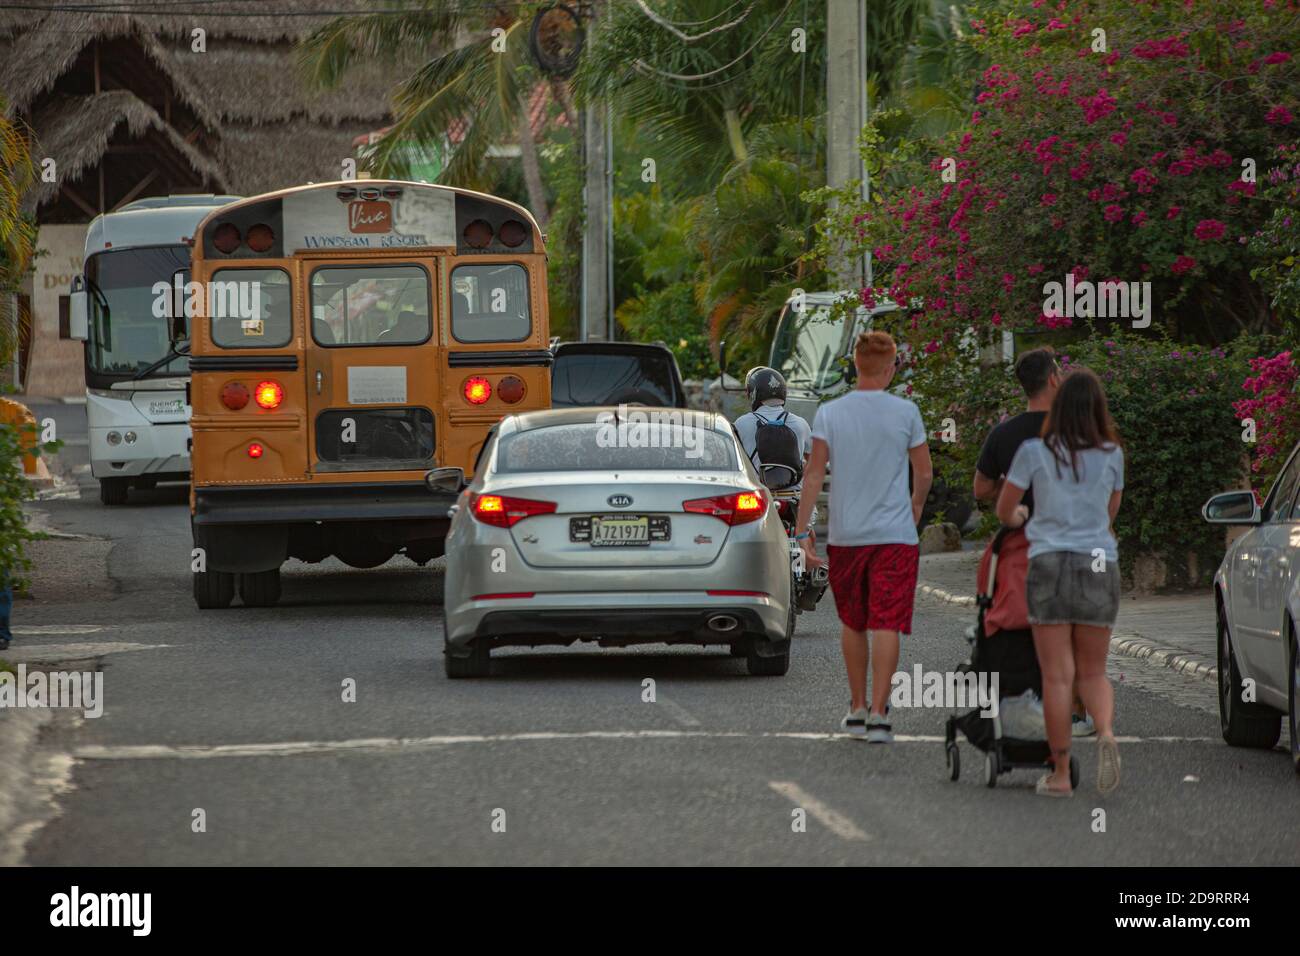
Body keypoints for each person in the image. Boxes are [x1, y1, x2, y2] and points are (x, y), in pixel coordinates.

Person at [795, 331, 932, 743]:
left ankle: (855, 709)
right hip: (895, 535)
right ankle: (880, 714)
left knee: (853, 621)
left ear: (855, 365)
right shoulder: (906, 412)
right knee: (886, 621)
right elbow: (924, 472)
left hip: (847, 534)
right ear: (890, 369)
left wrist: (802, 531)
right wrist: (915, 509)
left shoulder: (831, 414)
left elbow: (814, 474)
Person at [995, 368, 1123, 796]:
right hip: (1099, 561)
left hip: (1048, 560)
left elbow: (1003, 509)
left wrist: (1021, 518)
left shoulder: (1034, 451)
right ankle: (1104, 732)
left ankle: (1062, 774)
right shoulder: (1112, 454)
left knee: (1057, 677)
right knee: (1093, 671)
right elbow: (1109, 513)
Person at [974, 349, 1095, 737]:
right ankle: (1076, 711)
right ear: (1055, 380)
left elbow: (981, 489)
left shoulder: (1004, 434)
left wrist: (1011, 493)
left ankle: (1026, 698)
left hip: (1022, 544)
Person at [732, 367, 812, 493]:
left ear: (753, 393)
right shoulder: (801, 424)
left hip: (760, 496)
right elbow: (813, 462)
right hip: (794, 497)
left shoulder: (741, 424)